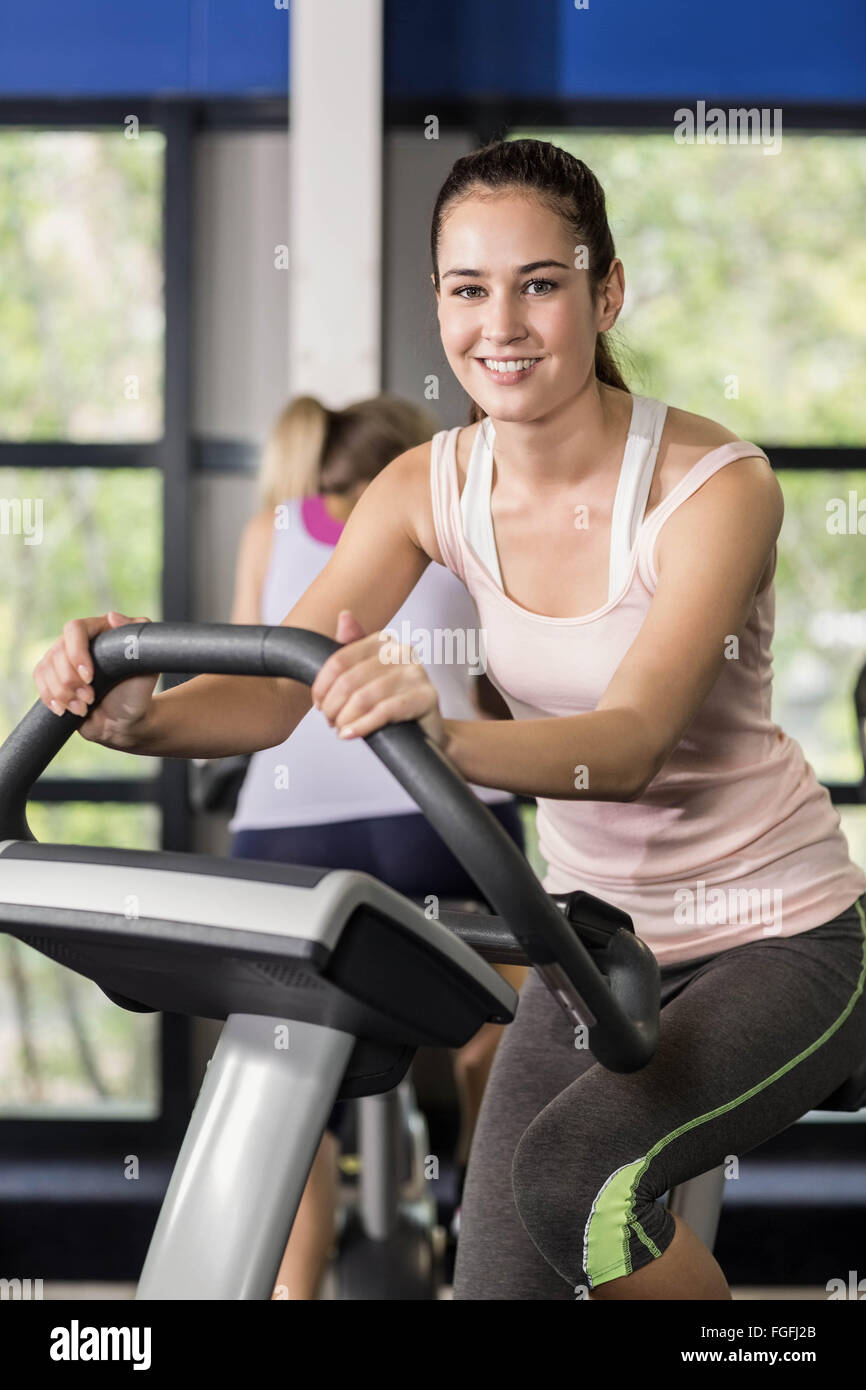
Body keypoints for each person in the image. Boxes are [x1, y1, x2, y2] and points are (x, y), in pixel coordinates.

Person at [34, 137, 866, 1302]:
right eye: (469, 289)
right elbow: (281, 687)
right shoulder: (427, 483)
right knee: (496, 1284)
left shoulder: (714, 485)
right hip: (592, 947)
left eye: (539, 283)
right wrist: (133, 717)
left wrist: (435, 739)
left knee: (572, 1183)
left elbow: (628, 743)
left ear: (603, 291)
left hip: (777, 936)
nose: (502, 324)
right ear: (438, 304)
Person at [224, 391, 527, 1297]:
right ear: (410, 466)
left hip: (284, 835)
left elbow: (250, 678)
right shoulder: (452, 521)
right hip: (440, 816)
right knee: (503, 1024)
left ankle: (291, 1289)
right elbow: (490, 685)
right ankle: (481, 1201)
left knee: (288, 1083)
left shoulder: (265, 532)